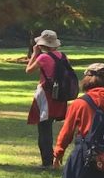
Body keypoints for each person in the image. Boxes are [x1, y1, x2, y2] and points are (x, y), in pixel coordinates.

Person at [25, 29, 72, 170]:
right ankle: (53, 159)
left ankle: (47, 161)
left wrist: (34, 53)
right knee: (48, 127)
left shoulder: (43, 58)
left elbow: (28, 70)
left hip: (45, 95)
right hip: (59, 96)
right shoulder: (63, 56)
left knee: (44, 130)